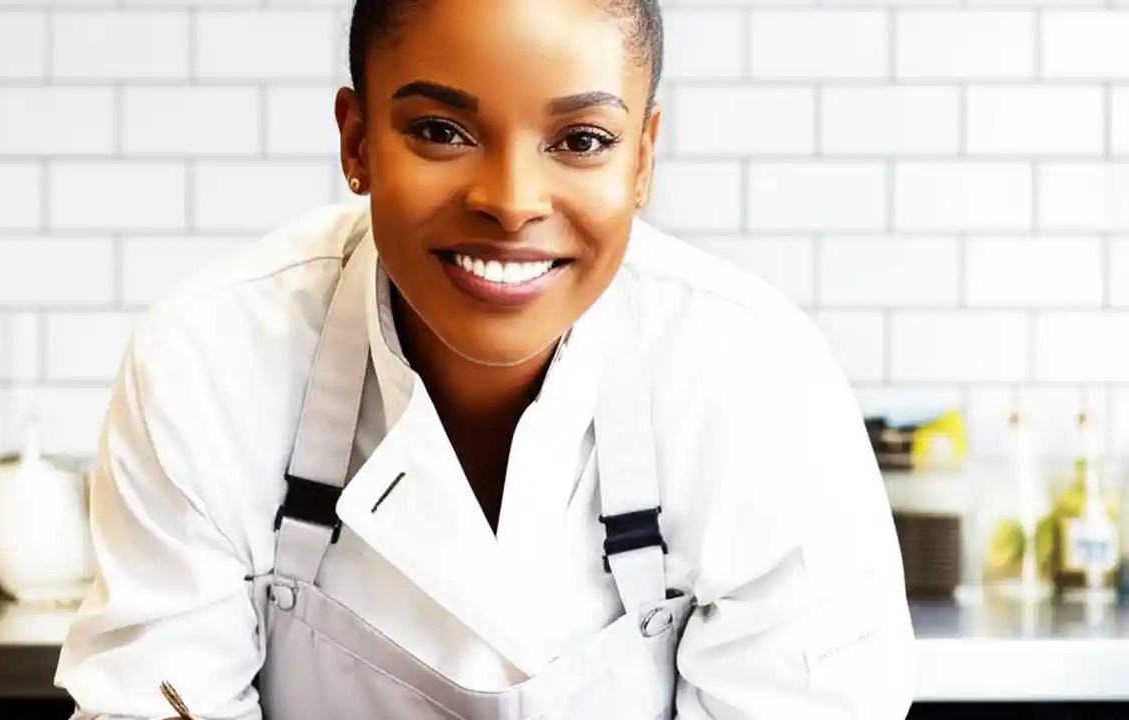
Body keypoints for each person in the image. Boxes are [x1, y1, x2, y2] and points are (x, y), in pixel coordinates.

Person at [54, 0, 917, 717]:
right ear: (357, 142)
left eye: (581, 140)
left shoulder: (753, 380)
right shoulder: (210, 362)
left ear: (643, 158)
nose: (510, 202)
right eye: (441, 130)